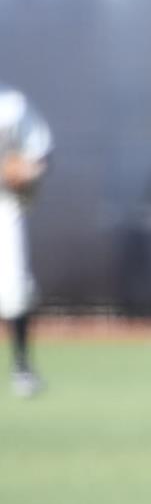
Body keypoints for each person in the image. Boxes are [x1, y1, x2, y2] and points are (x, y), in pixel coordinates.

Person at [0, 85, 52, 399]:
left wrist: (27, 171)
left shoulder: (12, 107)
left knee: (15, 286)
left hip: (4, 205)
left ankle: (22, 368)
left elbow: (41, 153)